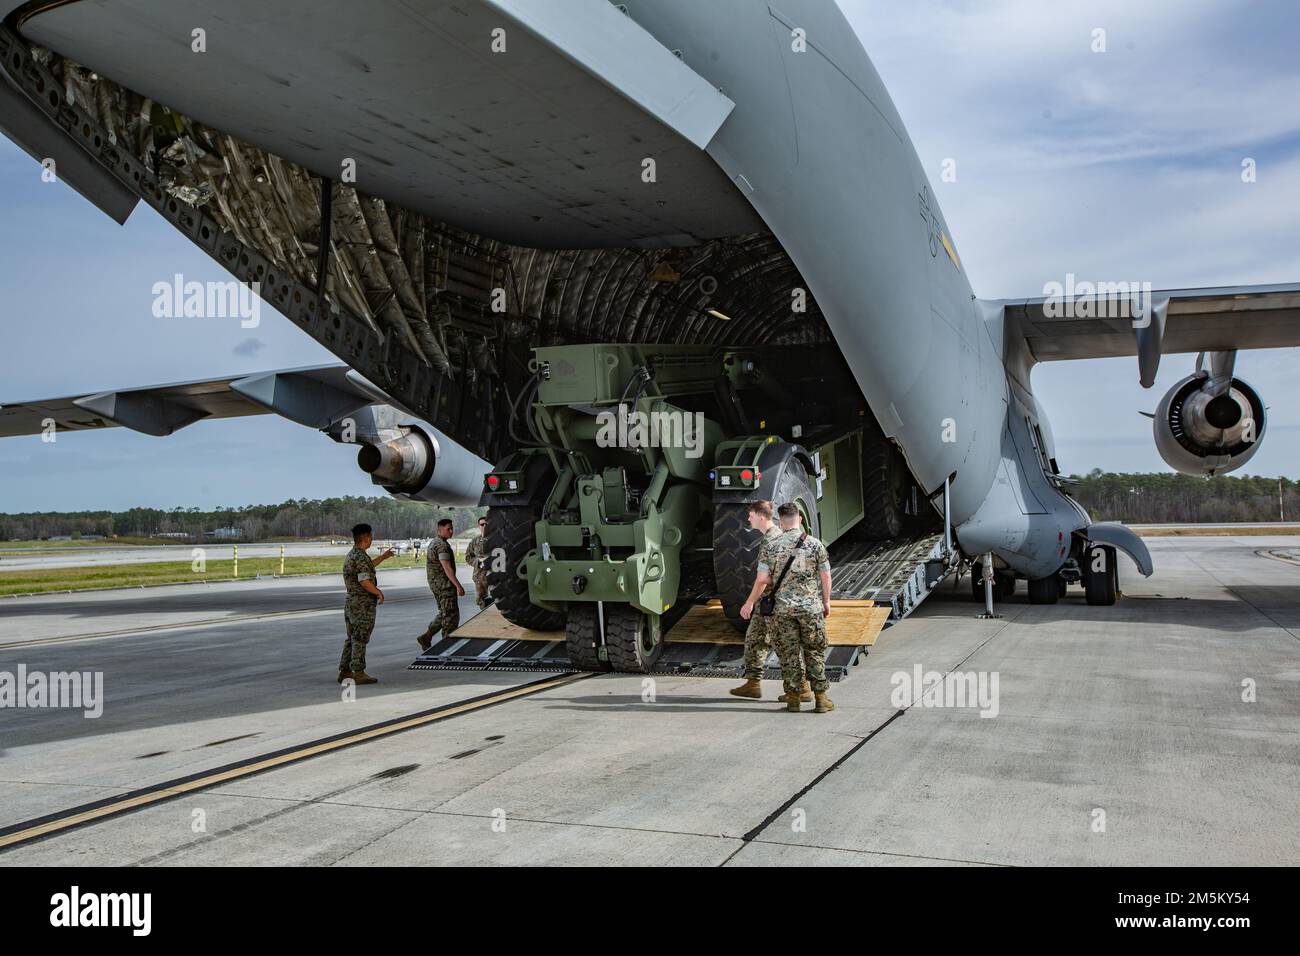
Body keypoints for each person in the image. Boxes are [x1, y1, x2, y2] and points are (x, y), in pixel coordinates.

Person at [741, 502, 834, 713]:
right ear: (800, 519)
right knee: (814, 651)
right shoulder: (815, 544)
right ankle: (821, 699)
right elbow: (826, 575)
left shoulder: (771, 546)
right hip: (810, 609)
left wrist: (750, 601)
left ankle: (793, 699)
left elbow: (763, 578)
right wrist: (826, 601)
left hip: (781, 611)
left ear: (780, 522)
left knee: (789, 654)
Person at [729, 501, 810, 702]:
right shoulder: (772, 538)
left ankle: (802, 687)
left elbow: (764, 580)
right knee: (755, 639)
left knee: (785, 645)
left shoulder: (772, 541)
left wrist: (749, 603)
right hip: (767, 603)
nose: (748, 519)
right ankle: (753, 683)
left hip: (774, 602)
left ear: (761, 517)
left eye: (751, 515)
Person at [338, 523, 395, 685]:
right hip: (362, 605)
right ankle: (359, 672)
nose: (372, 539)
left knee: (351, 638)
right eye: (371, 536)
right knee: (360, 638)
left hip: (351, 603)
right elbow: (364, 580)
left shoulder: (353, 555)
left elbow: (367, 567)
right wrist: (378, 592)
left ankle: (345, 670)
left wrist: (383, 557)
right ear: (366, 538)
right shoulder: (361, 557)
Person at [416, 517, 464, 651]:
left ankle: (426, 636)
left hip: (437, 585)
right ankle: (447, 647)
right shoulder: (441, 545)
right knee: (451, 617)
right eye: (448, 529)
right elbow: (447, 567)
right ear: (439, 530)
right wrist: (458, 586)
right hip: (444, 586)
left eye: (452, 528)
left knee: (444, 613)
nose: (451, 531)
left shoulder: (435, 543)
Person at [464, 515, 491, 609]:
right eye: (482, 524)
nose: (484, 526)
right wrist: (478, 562)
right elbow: (468, 557)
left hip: (494, 575)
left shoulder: (495, 539)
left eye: (486, 524)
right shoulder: (475, 541)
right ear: (479, 526)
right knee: (482, 602)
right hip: (480, 577)